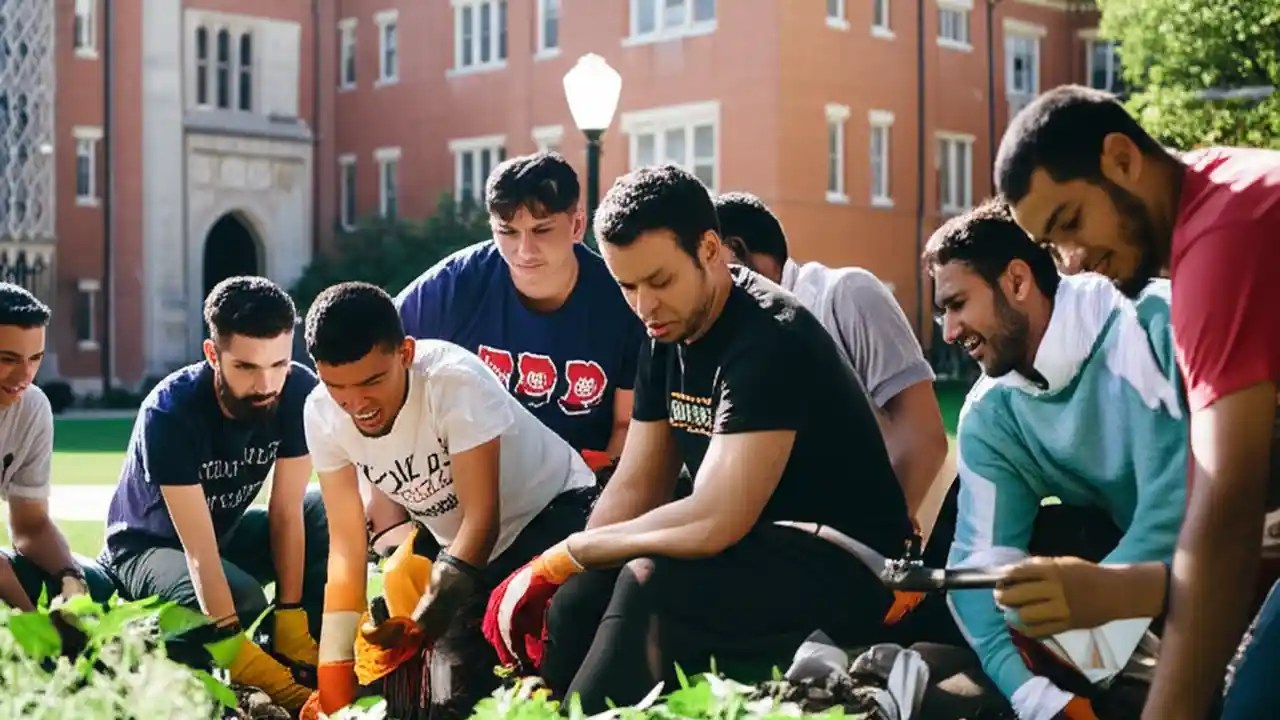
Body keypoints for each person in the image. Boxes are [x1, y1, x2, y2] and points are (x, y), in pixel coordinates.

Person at [483, 164, 919, 713]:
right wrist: (561, 575)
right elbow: (636, 487)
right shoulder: (665, 328)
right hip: (756, 549)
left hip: (850, 565)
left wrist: (566, 553)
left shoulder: (769, 337)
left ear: (711, 249)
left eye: (660, 281)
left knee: (650, 583)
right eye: (627, 286)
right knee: (581, 597)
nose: (644, 306)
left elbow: (715, 518)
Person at [991, 84, 1280, 720]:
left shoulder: (1221, 240)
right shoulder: (1226, 191)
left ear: (1122, 158)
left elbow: (1226, 510)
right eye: (1050, 245)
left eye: (1069, 222)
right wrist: (1130, 589)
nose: (1070, 263)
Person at [925, 201, 1188, 720]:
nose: (949, 332)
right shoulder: (990, 411)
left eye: (957, 304)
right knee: (1027, 573)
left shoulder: (1157, 322)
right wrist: (1036, 697)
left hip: (1247, 545)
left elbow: (1183, 500)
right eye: (941, 313)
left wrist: (1098, 610)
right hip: (1151, 575)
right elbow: (976, 569)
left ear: (1018, 281)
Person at [301, 282, 597, 720]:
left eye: (372, 381)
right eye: (337, 386)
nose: (357, 404)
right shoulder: (322, 413)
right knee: (443, 701)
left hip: (554, 513)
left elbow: (483, 520)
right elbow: (346, 547)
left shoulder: (453, 382)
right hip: (461, 546)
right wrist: (334, 673)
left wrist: (427, 616)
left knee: (521, 682)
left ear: (405, 351)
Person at [101, 276, 327, 712]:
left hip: (223, 535)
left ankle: (296, 653)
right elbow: (198, 552)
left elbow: (285, 512)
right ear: (213, 355)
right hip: (146, 549)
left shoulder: (298, 391)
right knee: (241, 596)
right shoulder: (170, 411)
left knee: (322, 512)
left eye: (278, 364)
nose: (266, 385)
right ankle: (193, 661)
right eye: (246, 367)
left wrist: (291, 614)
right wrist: (242, 658)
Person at [713, 191, 949, 532]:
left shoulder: (844, 293)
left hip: (858, 555)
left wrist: (875, 541)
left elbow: (924, 438)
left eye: (711, 259)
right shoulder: (738, 332)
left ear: (735, 248)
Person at [395, 151, 644, 460]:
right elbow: (377, 349)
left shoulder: (623, 298)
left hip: (581, 486)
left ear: (577, 224)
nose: (525, 251)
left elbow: (628, 425)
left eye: (541, 230)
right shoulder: (456, 284)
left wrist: (600, 496)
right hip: (465, 480)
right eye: (508, 232)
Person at [0, 284, 116, 610]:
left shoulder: (32, 408)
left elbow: (30, 526)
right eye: (8, 359)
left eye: (34, 359)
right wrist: (35, 624)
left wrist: (71, 579)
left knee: (94, 583)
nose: (25, 376)